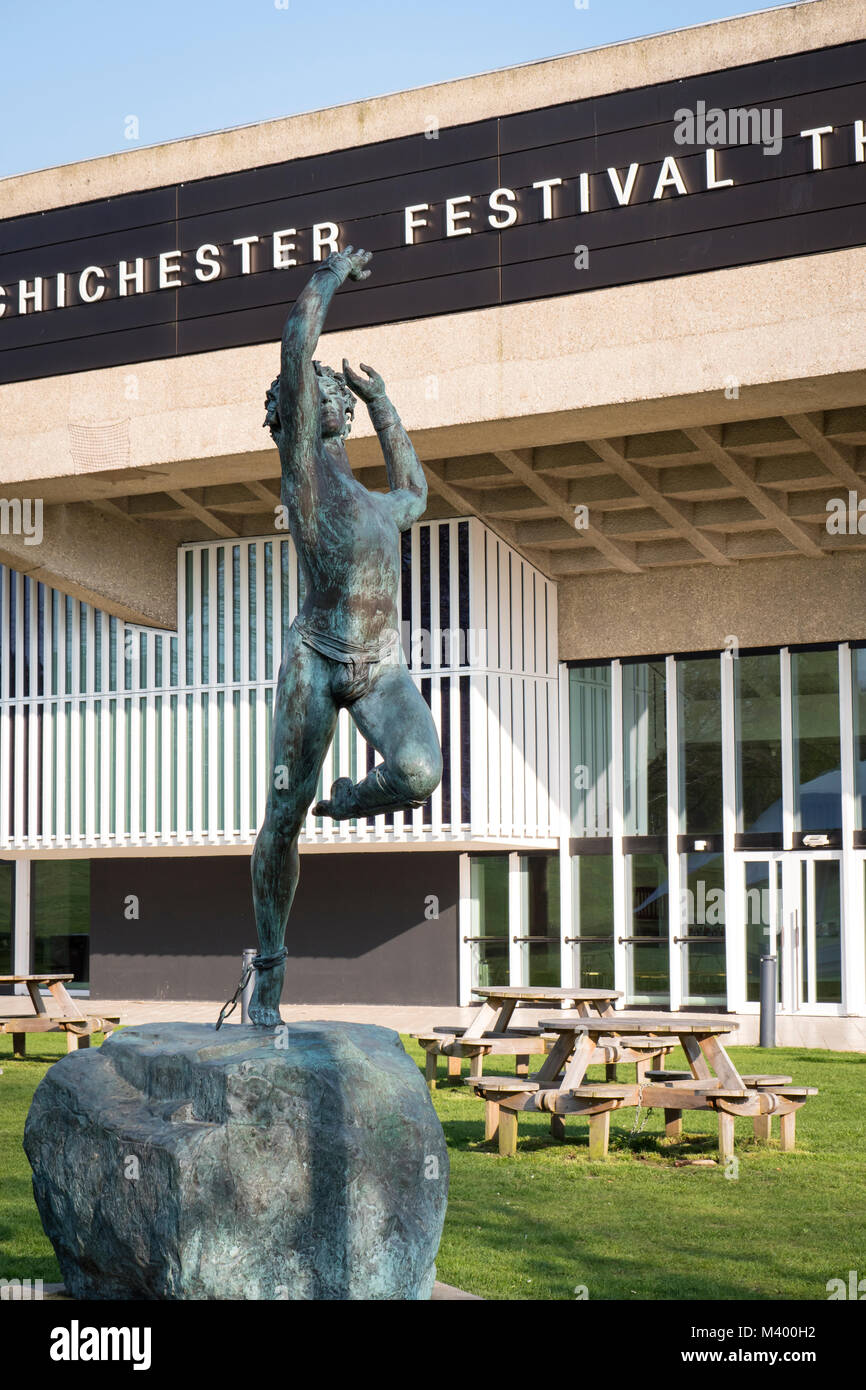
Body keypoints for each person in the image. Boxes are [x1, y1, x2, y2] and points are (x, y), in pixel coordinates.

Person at [249, 246, 442, 1026]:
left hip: (382, 667)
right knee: (281, 814)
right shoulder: (304, 473)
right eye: (326, 390)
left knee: (421, 772)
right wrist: (328, 276)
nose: (335, 394)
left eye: (339, 393)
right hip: (315, 660)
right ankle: (270, 965)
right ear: (297, 414)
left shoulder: (371, 502)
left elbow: (418, 494)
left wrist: (387, 403)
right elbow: (298, 343)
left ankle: (352, 801)